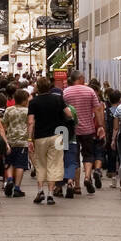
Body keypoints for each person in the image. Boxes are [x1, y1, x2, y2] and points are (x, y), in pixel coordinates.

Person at [27, 77, 73, 206]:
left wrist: (30, 139)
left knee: (41, 164)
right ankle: (51, 195)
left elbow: (31, 122)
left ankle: (40, 191)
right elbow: (69, 114)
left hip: (40, 136)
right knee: (54, 164)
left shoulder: (34, 102)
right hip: (57, 135)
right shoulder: (58, 99)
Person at [62, 71, 105, 195]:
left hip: (71, 130)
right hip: (88, 129)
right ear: (80, 78)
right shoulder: (90, 91)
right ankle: (87, 177)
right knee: (88, 155)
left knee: (73, 157)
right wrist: (100, 126)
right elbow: (97, 109)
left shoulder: (66, 92)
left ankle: (76, 185)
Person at [1, 88, 31, 198]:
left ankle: (9, 179)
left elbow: (4, 124)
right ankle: (17, 188)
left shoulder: (9, 110)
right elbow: (30, 124)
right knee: (20, 165)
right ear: (23, 101)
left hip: (10, 140)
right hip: (22, 141)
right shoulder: (27, 111)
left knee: (9, 163)